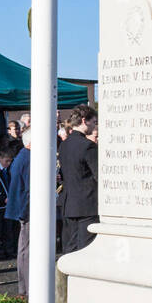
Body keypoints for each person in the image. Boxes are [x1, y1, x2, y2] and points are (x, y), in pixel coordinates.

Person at [57, 106, 99, 253]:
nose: (95, 125)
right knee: (85, 250)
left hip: (69, 203)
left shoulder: (64, 145)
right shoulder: (88, 146)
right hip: (87, 205)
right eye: (93, 121)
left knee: (70, 248)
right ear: (84, 121)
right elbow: (98, 176)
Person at [6, 127, 31, 295]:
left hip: (22, 208)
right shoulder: (29, 158)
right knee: (28, 250)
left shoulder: (22, 156)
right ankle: (28, 288)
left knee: (24, 249)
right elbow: (30, 188)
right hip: (28, 209)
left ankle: (25, 287)